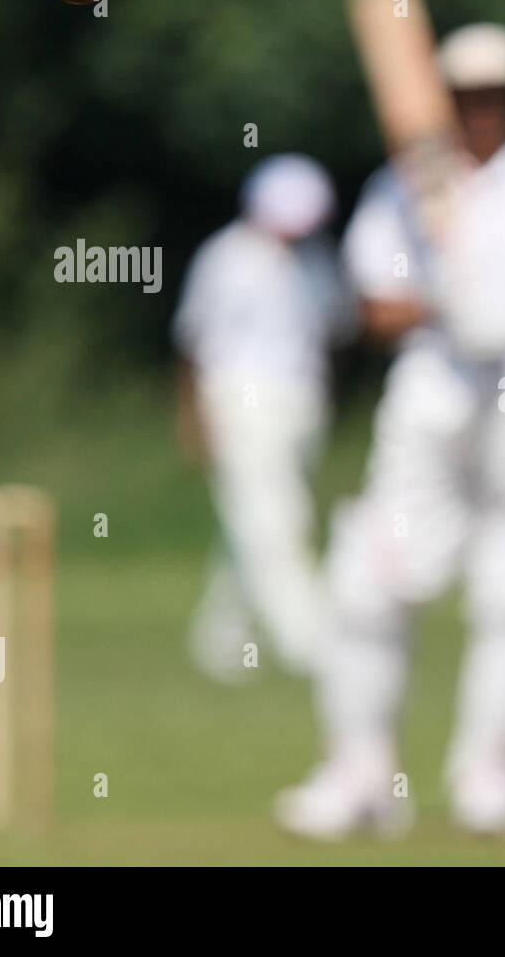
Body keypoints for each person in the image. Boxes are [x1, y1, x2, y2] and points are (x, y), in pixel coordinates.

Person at [274, 24, 505, 836]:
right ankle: (360, 776)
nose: (481, 110)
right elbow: (370, 303)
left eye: (496, 95)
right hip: (434, 385)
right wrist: (444, 307)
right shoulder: (407, 184)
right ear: (445, 98)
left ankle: (492, 776)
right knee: (369, 581)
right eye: (466, 96)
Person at [173, 154, 355, 682]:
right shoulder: (225, 258)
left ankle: (221, 638)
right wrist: (193, 417)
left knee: (248, 522)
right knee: (276, 522)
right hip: (238, 400)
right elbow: (192, 345)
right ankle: (316, 645)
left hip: (302, 403)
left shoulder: (316, 259)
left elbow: (332, 336)